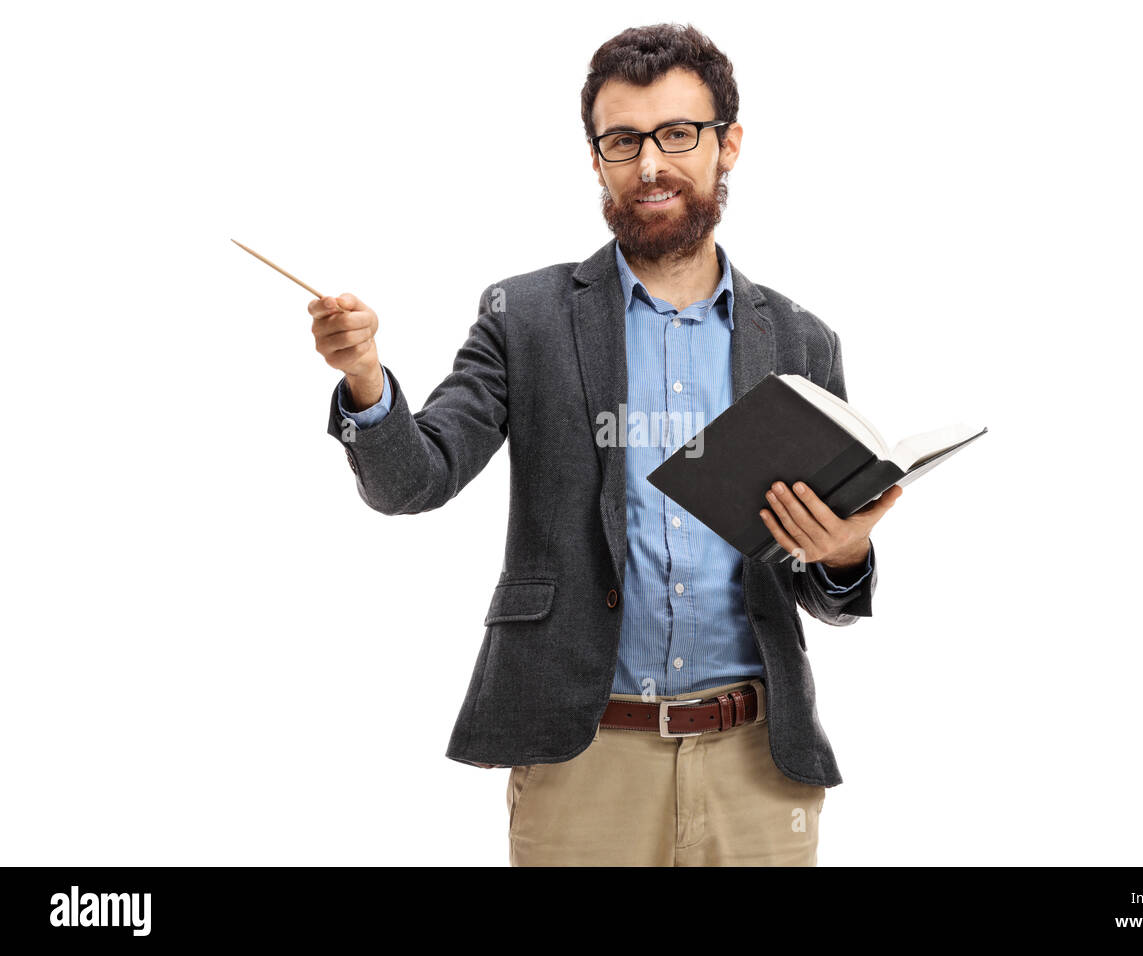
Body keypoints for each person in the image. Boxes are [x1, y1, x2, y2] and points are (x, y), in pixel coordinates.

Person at [309, 23, 902, 866]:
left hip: (760, 768)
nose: (651, 163)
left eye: (678, 135)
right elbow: (416, 479)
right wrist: (367, 379)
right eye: (623, 140)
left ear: (728, 145)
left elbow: (823, 589)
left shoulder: (803, 342)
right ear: (596, 158)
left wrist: (844, 556)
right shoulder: (528, 319)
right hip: (584, 757)